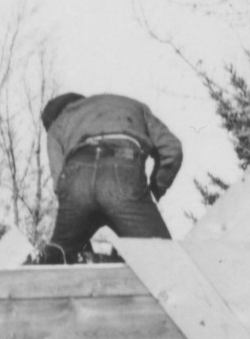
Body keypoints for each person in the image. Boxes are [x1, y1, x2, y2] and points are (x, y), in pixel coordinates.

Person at [39, 89, 186, 261]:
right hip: (122, 175)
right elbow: (172, 150)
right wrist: (155, 189)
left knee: (57, 258)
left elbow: (59, 180)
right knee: (164, 260)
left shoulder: (59, 122)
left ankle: (62, 260)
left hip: (77, 178)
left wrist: (73, 223)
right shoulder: (133, 106)